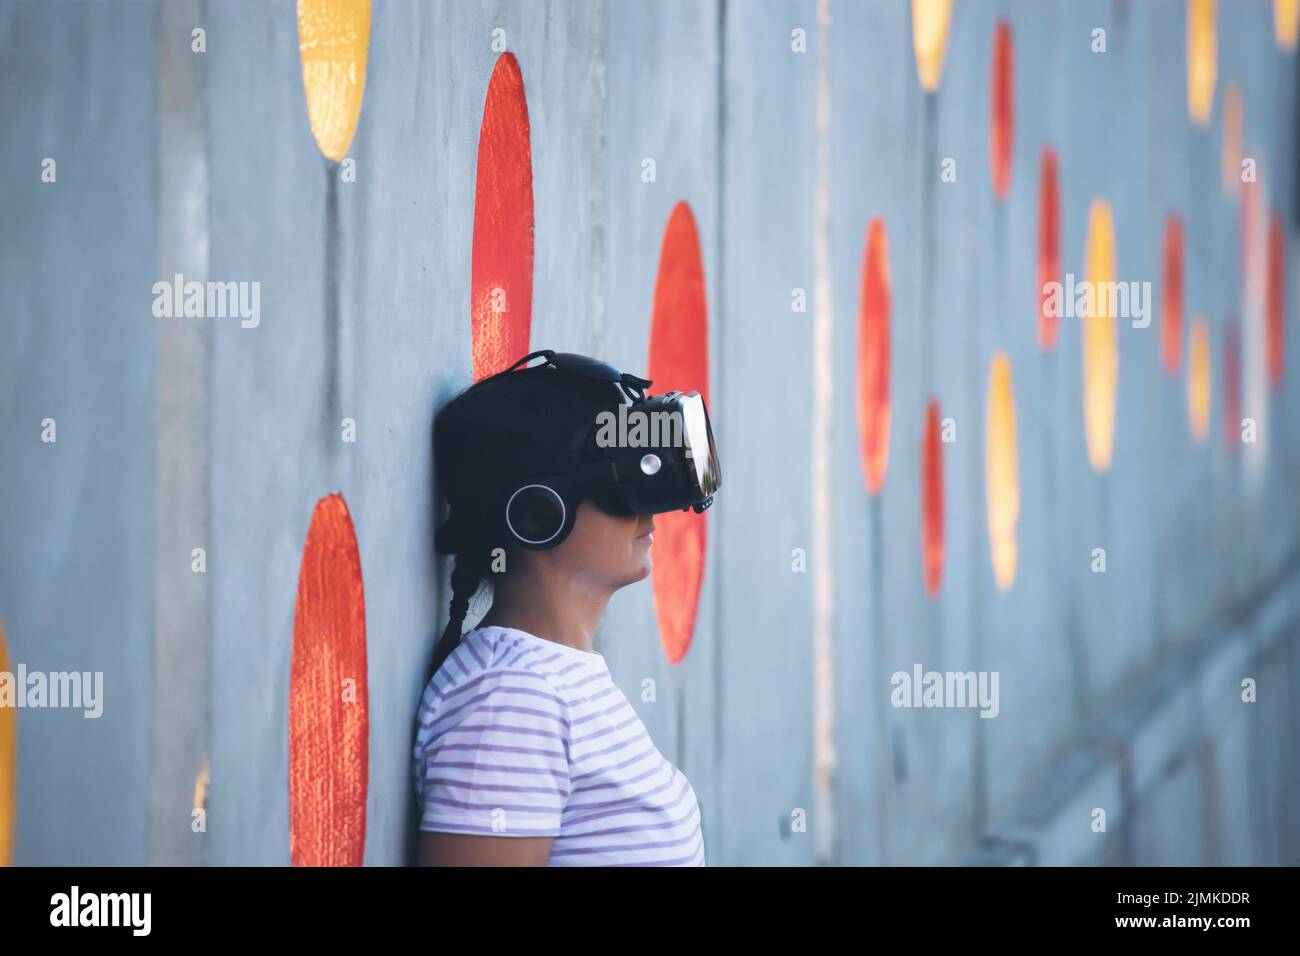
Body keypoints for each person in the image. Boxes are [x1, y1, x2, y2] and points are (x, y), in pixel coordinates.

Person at [412, 349, 715, 866]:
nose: (649, 509)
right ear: (537, 514)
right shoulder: (510, 702)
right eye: (625, 486)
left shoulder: (555, 681)